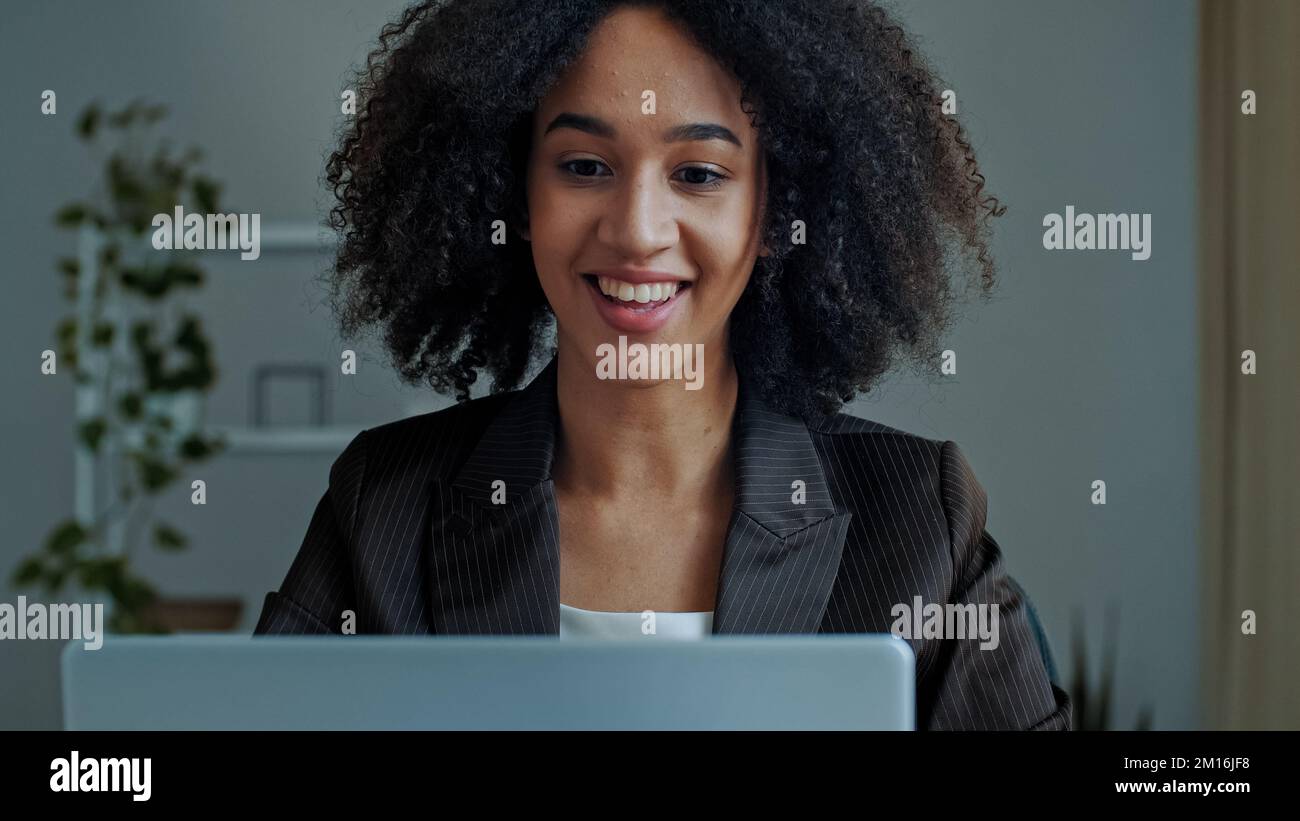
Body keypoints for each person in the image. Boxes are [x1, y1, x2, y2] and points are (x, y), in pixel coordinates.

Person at [255, 0, 1071, 730]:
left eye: (698, 174)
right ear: (516, 196)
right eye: (583, 165)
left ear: (772, 211)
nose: (639, 229)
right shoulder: (384, 506)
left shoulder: (921, 522)